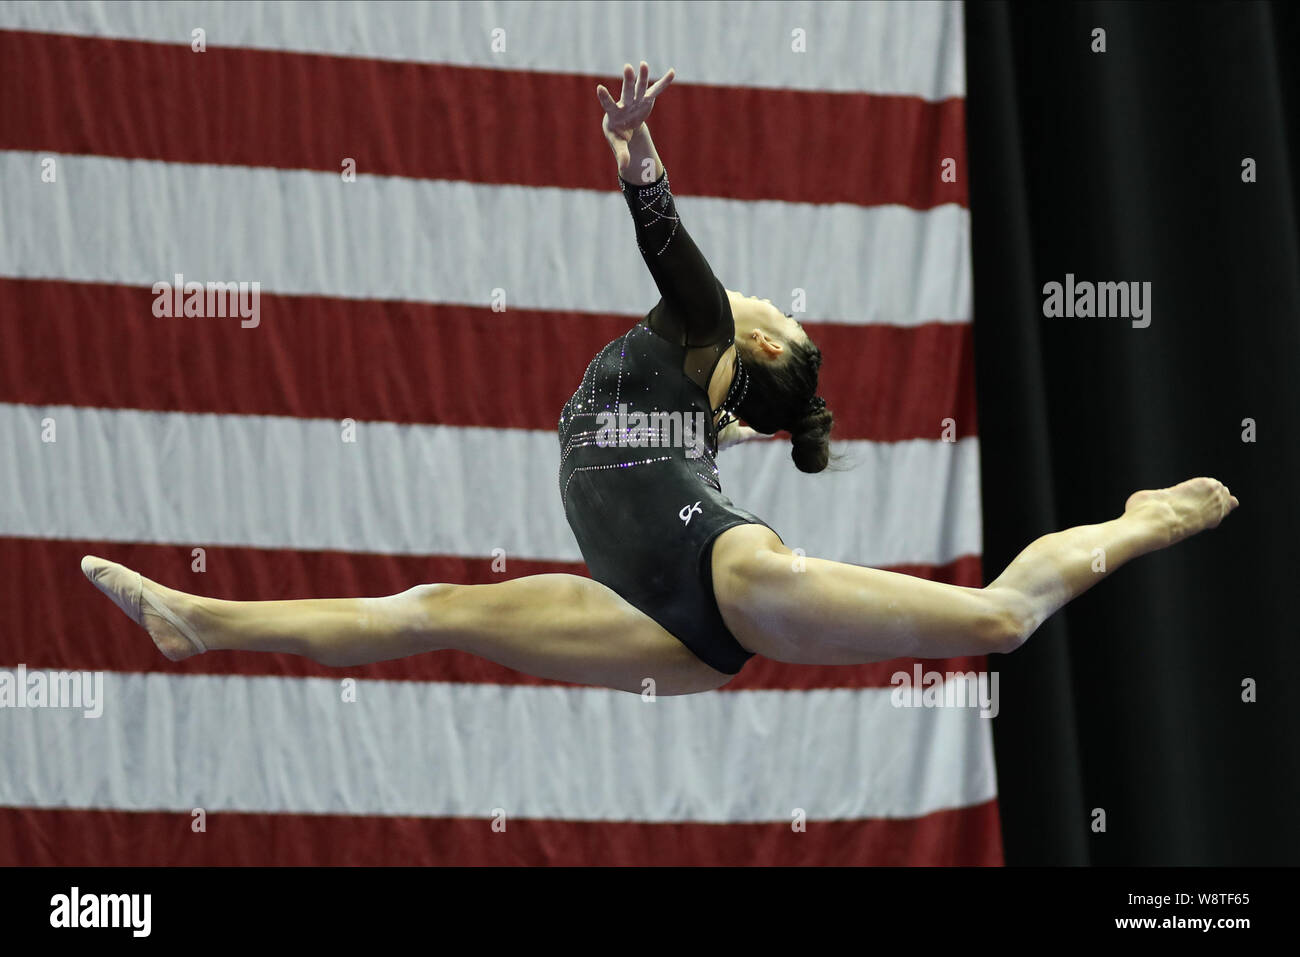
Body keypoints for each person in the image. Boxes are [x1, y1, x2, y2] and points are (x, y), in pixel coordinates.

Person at [82, 61, 1239, 696]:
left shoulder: (702, 335)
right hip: (654, 620)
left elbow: (666, 243)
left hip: (716, 572)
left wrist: (636, 154)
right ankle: (200, 621)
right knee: (430, 615)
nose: (765, 299)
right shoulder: (689, 400)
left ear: (766, 350)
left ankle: (1144, 521)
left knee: (994, 619)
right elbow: (691, 430)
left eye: (779, 313)